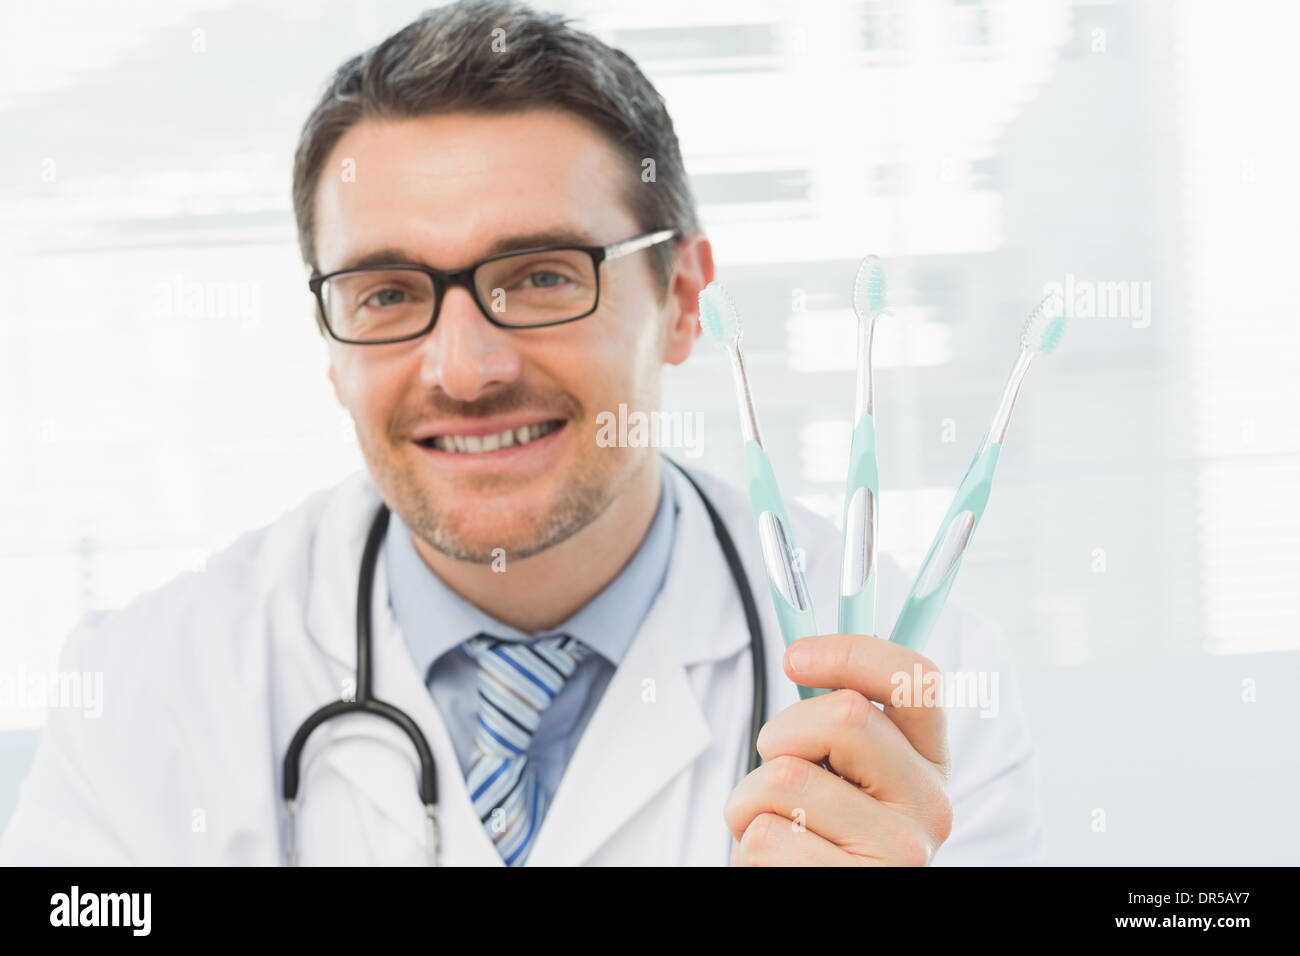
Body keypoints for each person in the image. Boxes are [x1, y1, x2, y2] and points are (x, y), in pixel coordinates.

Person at [0, 0, 1045, 866]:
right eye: (387, 292)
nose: (466, 368)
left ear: (682, 297)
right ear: (331, 341)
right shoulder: (150, 691)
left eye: (540, 276)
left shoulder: (905, 699)